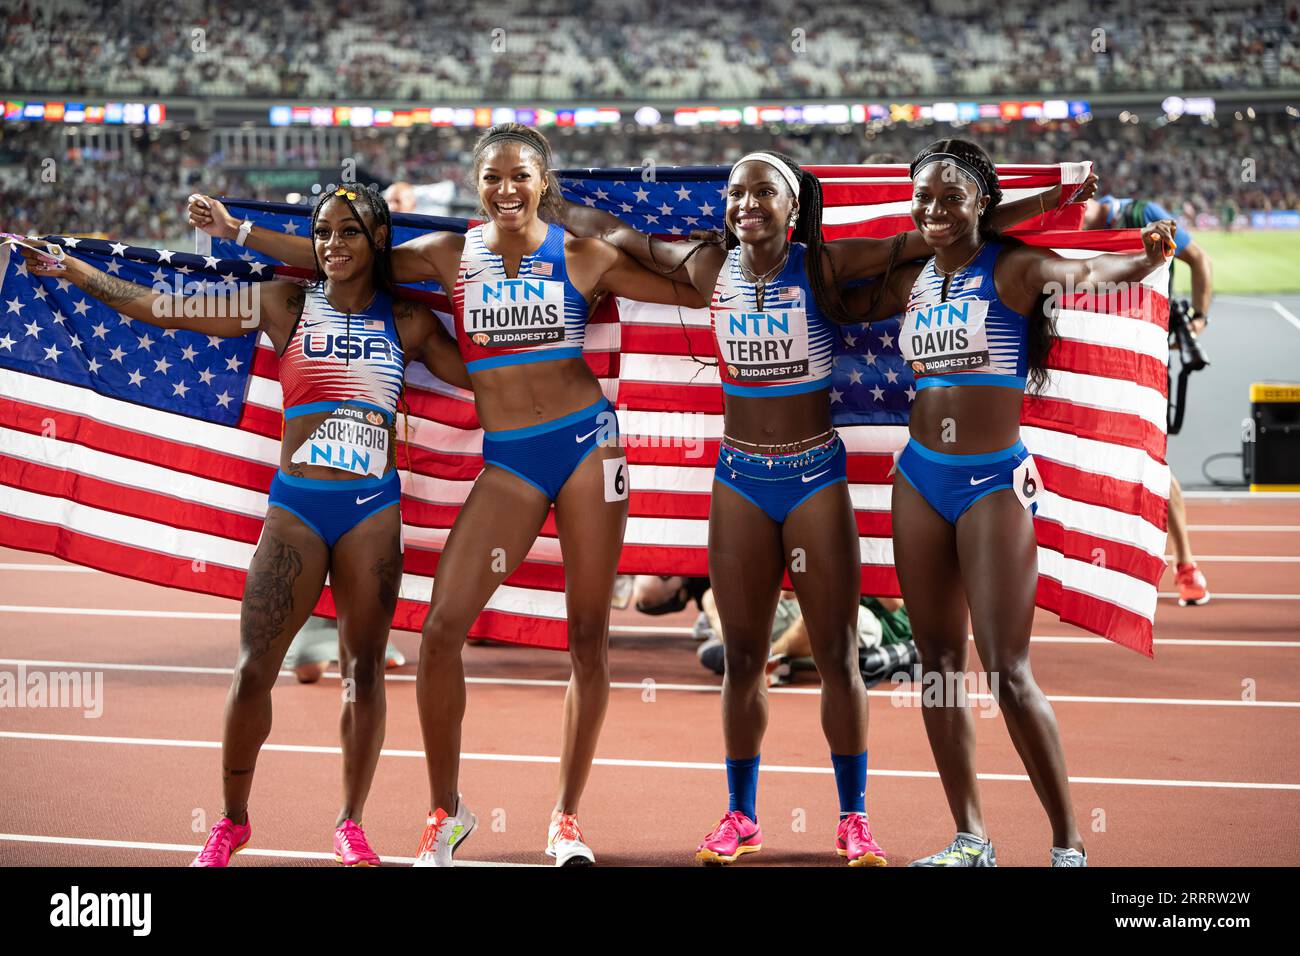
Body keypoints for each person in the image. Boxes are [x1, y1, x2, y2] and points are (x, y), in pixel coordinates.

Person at [191, 123, 707, 866]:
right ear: (476, 182)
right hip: (512, 462)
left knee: (588, 637)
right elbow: (346, 261)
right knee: (439, 632)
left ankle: (565, 819)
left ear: (542, 182)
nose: (505, 189)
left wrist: (624, 232)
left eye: (520, 176)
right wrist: (240, 230)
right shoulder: (449, 254)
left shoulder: (581, 254)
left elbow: (693, 286)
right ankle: (448, 810)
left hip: (589, 447)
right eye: (492, 176)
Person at [559, 150, 1089, 866]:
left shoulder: (824, 267)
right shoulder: (709, 269)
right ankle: (741, 815)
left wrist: (1043, 199)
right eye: (737, 192)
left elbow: (939, 233)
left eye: (765, 192)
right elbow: (622, 235)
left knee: (839, 654)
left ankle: (854, 818)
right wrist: (549, 204)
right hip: (740, 480)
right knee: (743, 657)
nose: (748, 202)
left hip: (814, 476)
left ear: (795, 205)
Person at [28, 184, 470, 866]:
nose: (332, 245)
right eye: (322, 232)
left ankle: (351, 823)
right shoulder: (282, 302)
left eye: (349, 232)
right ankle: (232, 819)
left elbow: (487, 382)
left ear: (378, 241)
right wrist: (70, 269)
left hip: (371, 514)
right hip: (297, 508)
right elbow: (159, 308)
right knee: (253, 671)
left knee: (364, 673)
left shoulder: (408, 319)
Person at [846, 138, 1176, 866]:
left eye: (950, 197)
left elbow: (1087, 269)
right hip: (920, 477)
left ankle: (1067, 843)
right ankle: (970, 837)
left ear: (982, 204)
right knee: (935, 662)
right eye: (923, 197)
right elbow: (841, 277)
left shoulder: (1015, 269)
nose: (933, 210)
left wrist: (1147, 260)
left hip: (993, 479)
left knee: (1005, 668)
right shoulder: (916, 280)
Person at [1082, 193, 1215, 606]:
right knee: (1094, 457)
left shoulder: (1144, 213)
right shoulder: (1075, 225)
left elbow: (1201, 261)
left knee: (1152, 459)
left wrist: (1198, 319)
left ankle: (1185, 564)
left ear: (1091, 199)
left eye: (1077, 213)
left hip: (1142, 357)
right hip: (1093, 352)